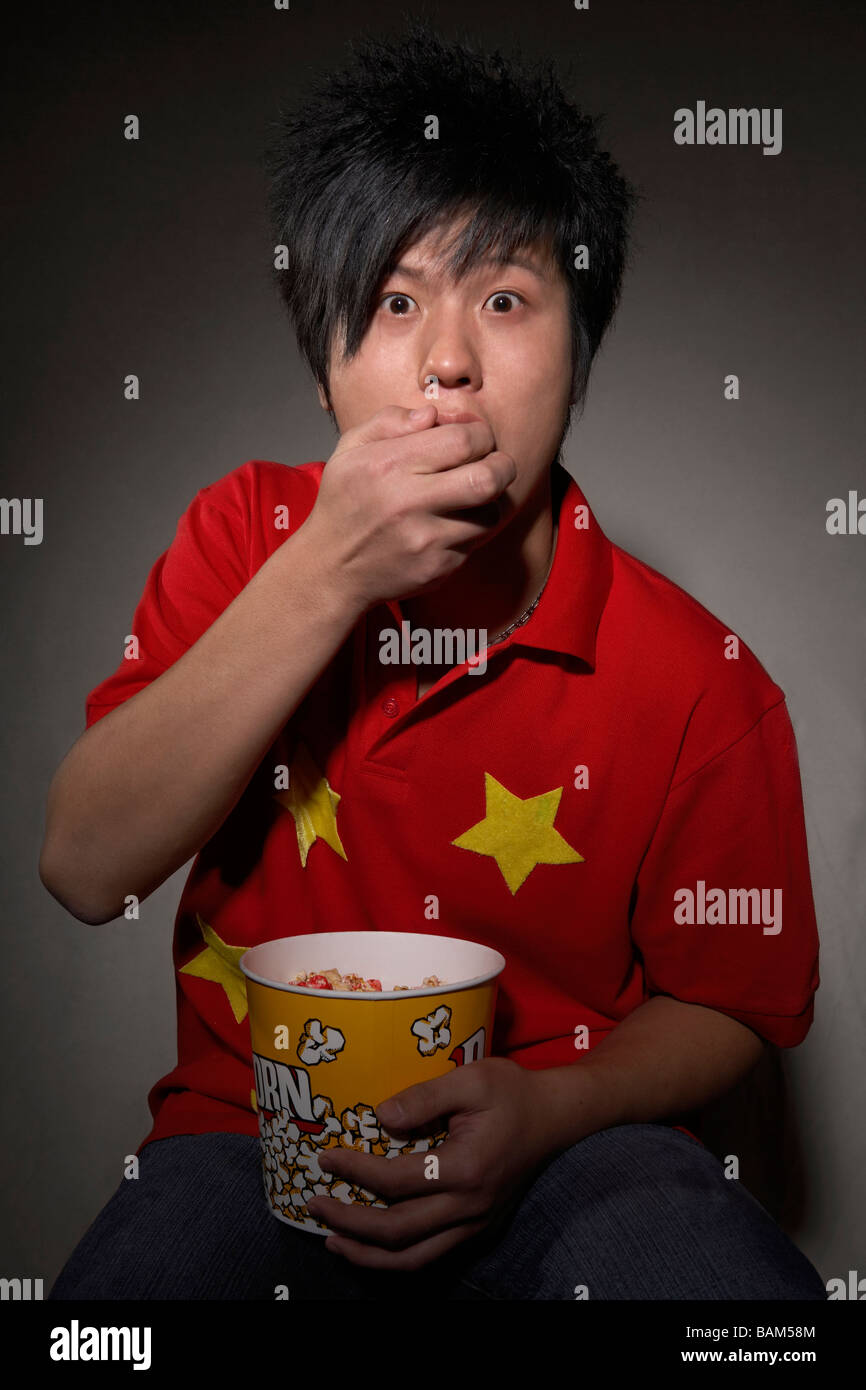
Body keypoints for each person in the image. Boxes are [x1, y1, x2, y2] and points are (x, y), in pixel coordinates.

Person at [41, 22, 826, 1300]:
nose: (447, 361)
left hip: (573, 1145)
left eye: (505, 300)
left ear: (578, 358)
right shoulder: (244, 537)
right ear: (323, 367)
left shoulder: (699, 674)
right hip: (245, 1133)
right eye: (395, 302)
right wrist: (328, 570)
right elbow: (82, 864)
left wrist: (550, 1109)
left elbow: (729, 1001)